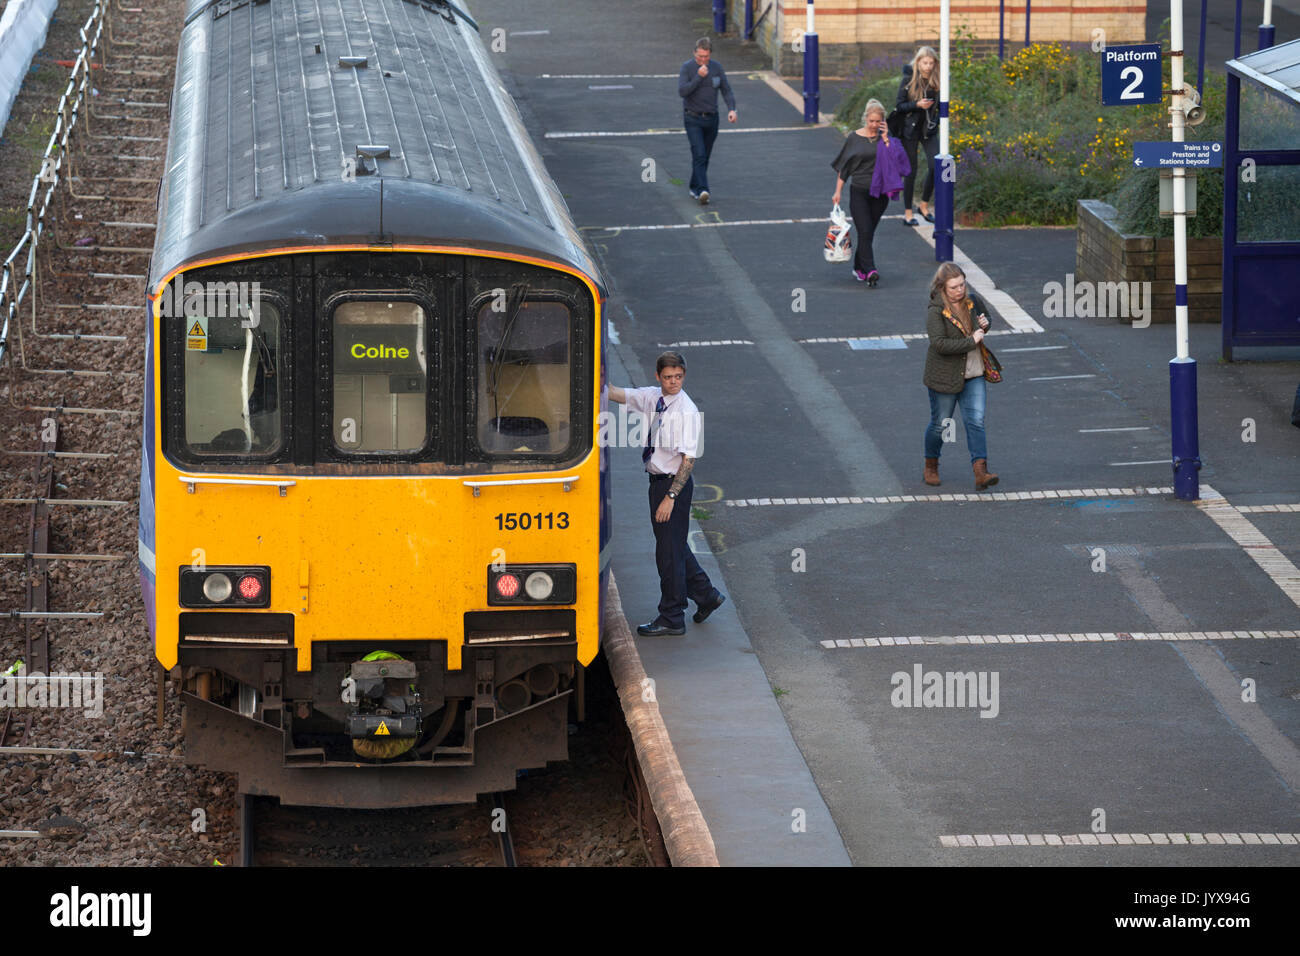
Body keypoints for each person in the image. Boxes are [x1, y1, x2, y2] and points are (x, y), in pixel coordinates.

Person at [608, 351, 726, 636]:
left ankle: (672, 616)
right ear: (657, 376)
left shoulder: (687, 411)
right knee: (674, 546)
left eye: (678, 377)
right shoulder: (653, 398)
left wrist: (670, 498)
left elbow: (689, 460)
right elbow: (617, 394)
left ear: (684, 375)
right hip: (656, 481)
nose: (674, 382)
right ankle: (706, 594)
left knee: (668, 554)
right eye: (668, 377)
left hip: (673, 486)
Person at [923, 262, 1001, 490]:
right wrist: (971, 341)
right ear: (942, 288)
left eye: (962, 284)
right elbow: (939, 344)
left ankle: (981, 472)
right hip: (945, 376)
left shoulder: (973, 300)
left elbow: (984, 321)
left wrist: (985, 325)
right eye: (954, 287)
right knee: (941, 424)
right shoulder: (936, 311)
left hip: (974, 372)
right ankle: (931, 464)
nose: (960, 290)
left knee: (975, 421)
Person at [831, 98, 910, 286]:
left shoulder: (889, 141)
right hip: (858, 191)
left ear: (883, 121)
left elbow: (899, 163)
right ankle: (871, 270)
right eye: (871, 121)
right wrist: (838, 191)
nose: (874, 125)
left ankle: (859, 267)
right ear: (865, 118)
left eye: (878, 121)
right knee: (864, 230)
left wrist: (885, 139)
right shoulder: (854, 137)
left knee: (868, 232)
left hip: (880, 194)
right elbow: (845, 167)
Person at [677, 37, 737, 205]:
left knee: (704, 156)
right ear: (694, 53)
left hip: (712, 119)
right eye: (700, 56)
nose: (703, 60)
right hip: (692, 118)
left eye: (706, 57)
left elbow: (726, 90)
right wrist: (698, 77)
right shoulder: (687, 68)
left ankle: (693, 186)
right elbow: (682, 91)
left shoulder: (717, 68)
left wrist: (732, 109)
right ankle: (703, 190)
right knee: (699, 153)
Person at [896, 47, 940, 227]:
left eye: (931, 63)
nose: (928, 67)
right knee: (911, 171)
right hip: (910, 130)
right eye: (925, 63)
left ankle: (923, 205)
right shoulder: (908, 79)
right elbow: (899, 106)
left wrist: (936, 120)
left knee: (935, 165)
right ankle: (908, 213)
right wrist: (917, 104)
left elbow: (942, 106)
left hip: (928, 129)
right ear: (918, 62)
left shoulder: (938, 80)